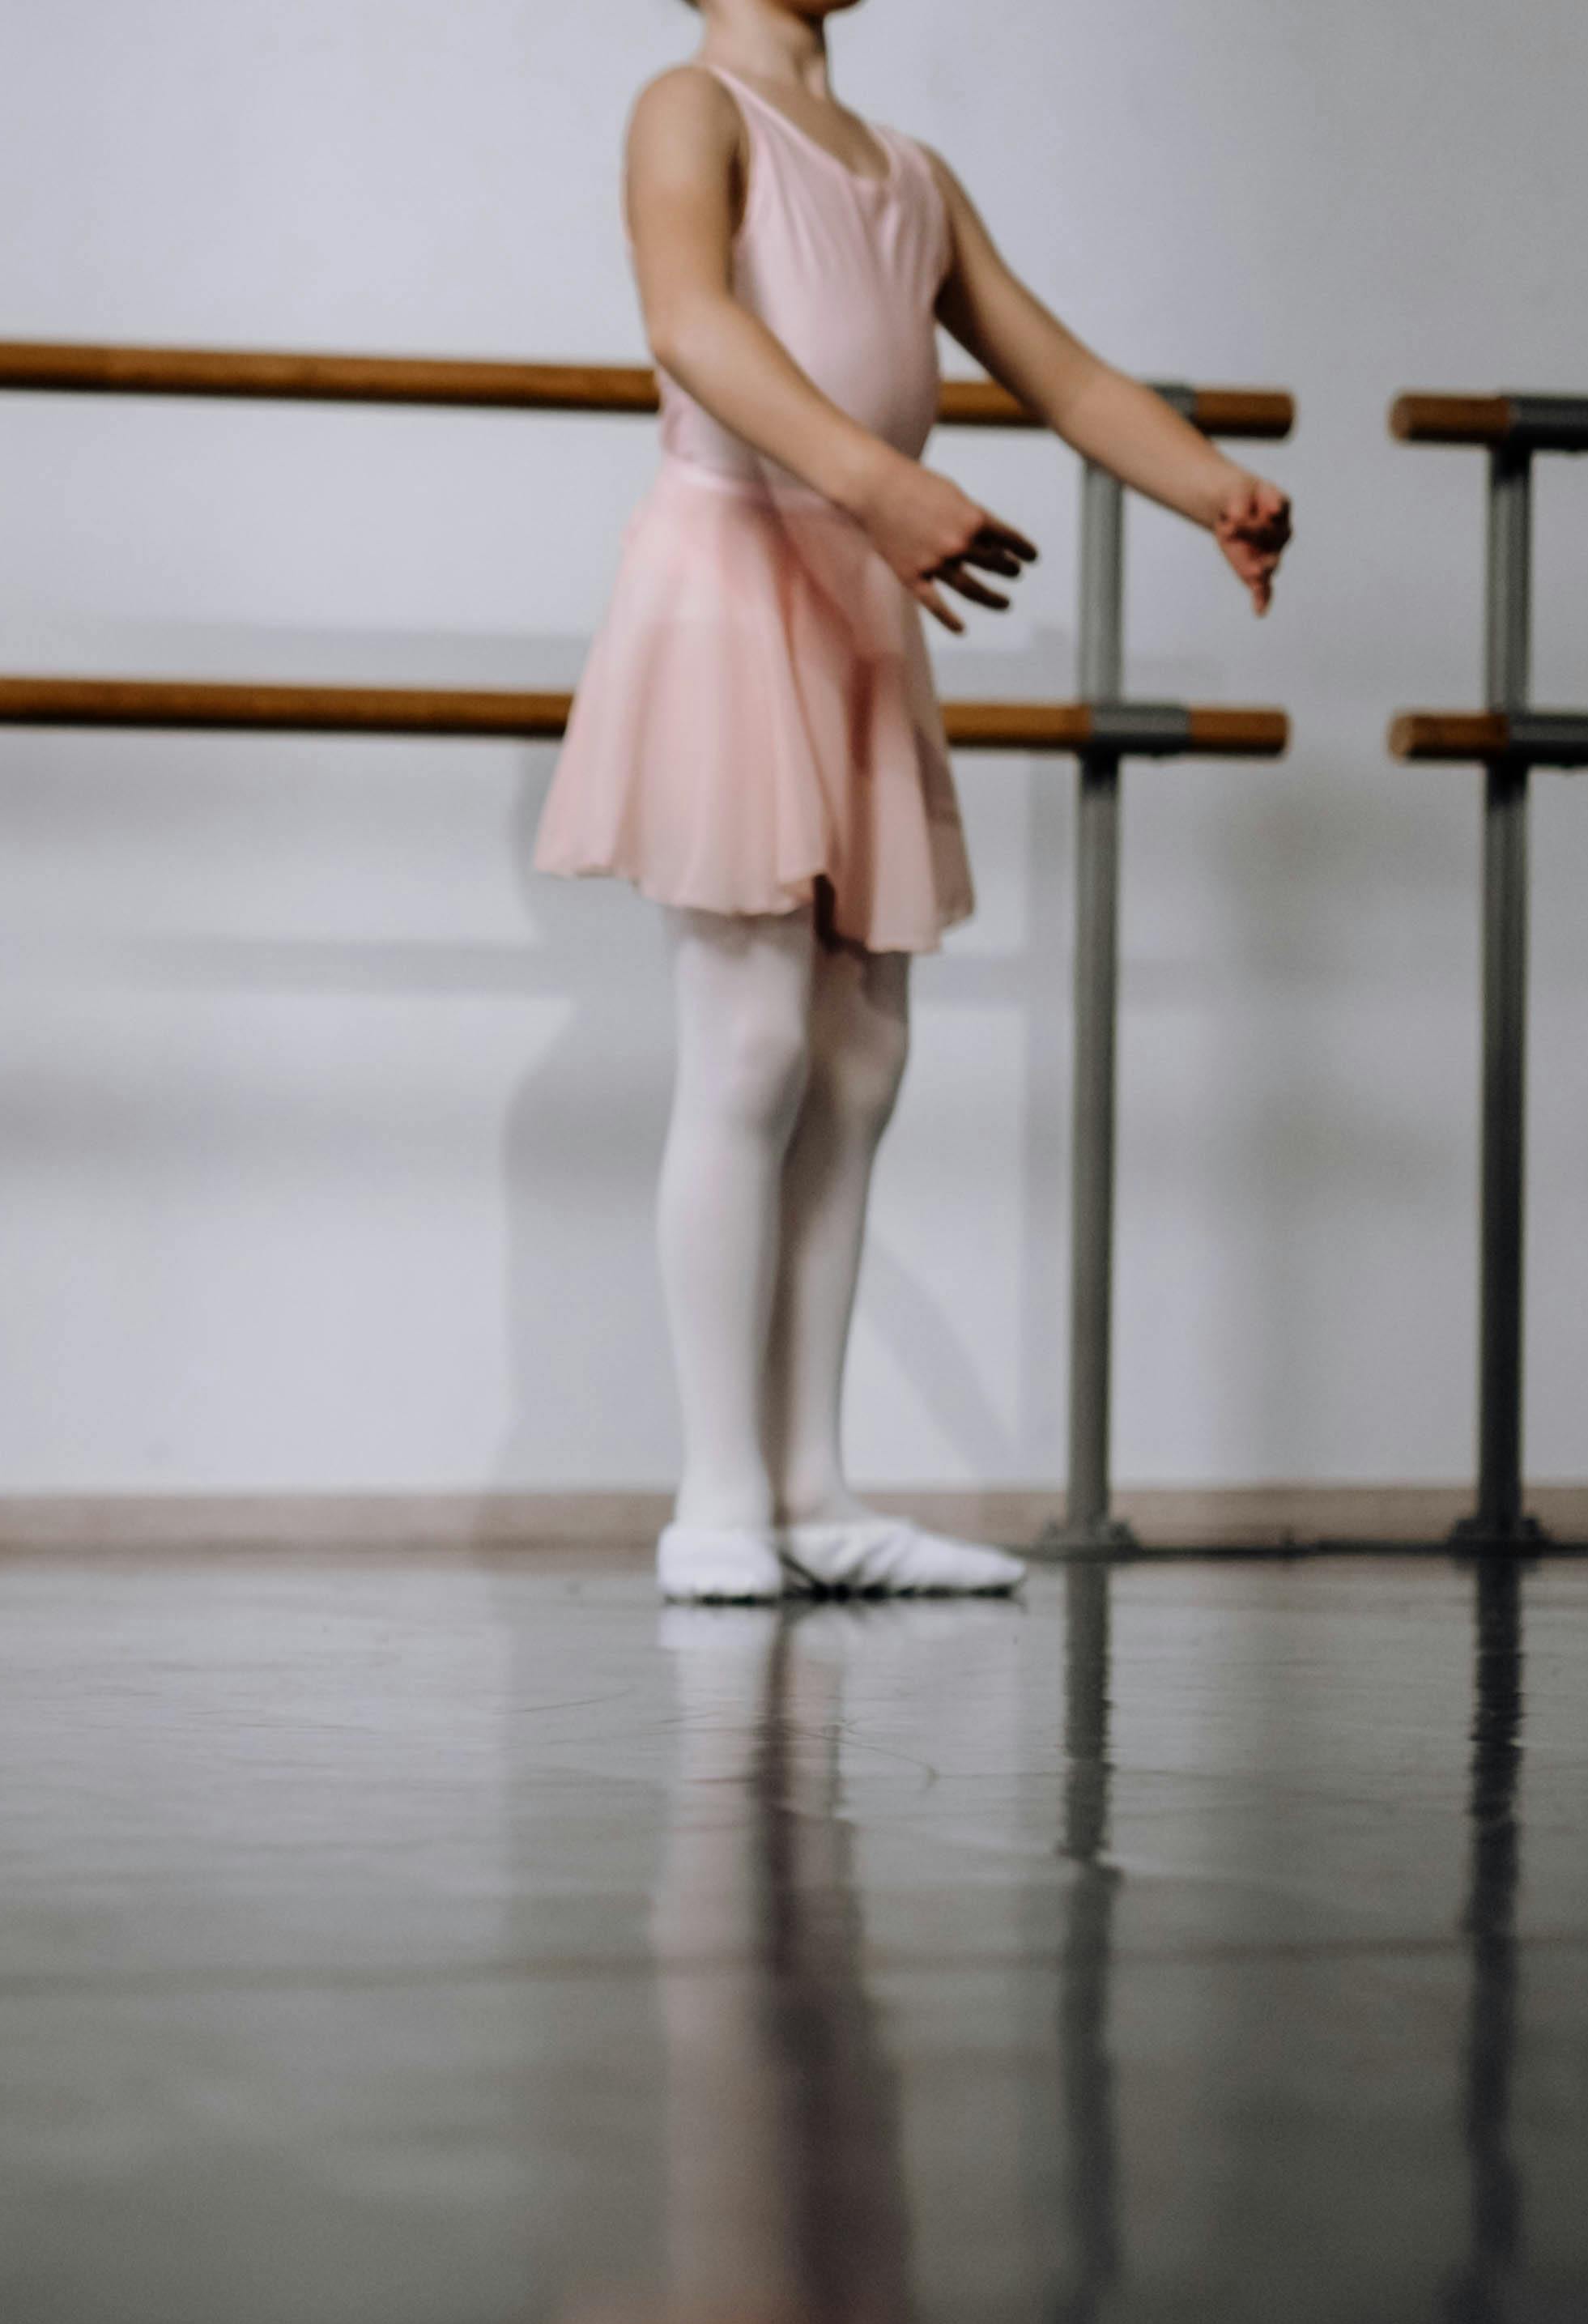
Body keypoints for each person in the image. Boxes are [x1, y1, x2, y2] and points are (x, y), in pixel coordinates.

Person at [537, 0, 1292, 1606]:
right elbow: (688, 322)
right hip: (738, 572)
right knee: (744, 1041)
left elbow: (1060, 371)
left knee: (860, 1053)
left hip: (866, 593)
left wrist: (1203, 483)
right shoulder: (690, 107)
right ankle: (714, 1497)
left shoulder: (910, 174)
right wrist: (876, 484)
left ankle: (811, 1485)